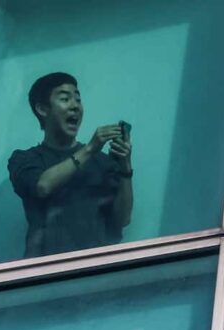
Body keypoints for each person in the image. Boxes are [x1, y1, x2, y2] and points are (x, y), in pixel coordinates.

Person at [8, 72, 133, 258]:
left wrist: (125, 168)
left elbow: (122, 219)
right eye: (65, 99)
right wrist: (89, 149)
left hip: (96, 267)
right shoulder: (25, 159)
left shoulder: (102, 162)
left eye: (78, 100)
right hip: (44, 269)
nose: (75, 106)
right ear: (42, 109)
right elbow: (43, 186)